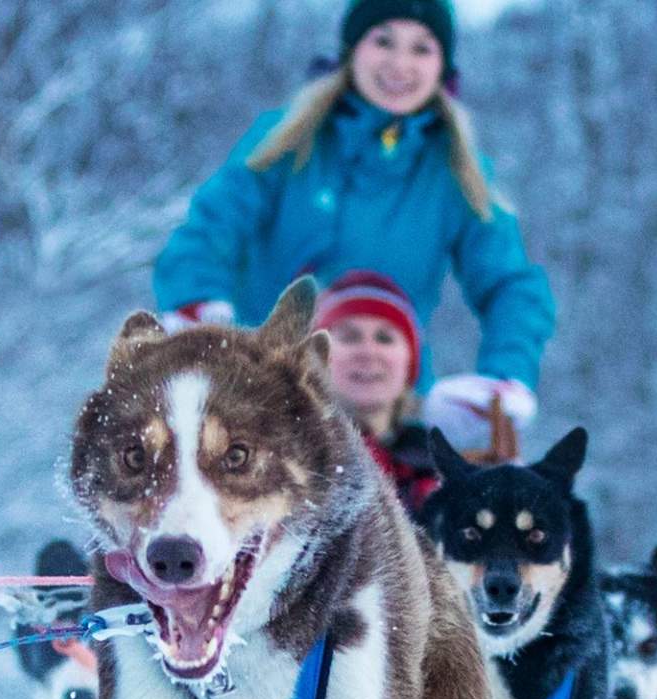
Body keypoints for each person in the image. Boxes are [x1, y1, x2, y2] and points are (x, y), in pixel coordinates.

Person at [153, 0, 553, 453]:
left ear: (442, 66)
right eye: (383, 41)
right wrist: (197, 305)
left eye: (421, 48)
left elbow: (512, 285)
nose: (400, 64)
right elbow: (209, 230)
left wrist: (507, 373)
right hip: (263, 397)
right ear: (351, 50)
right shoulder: (286, 141)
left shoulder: (457, 174)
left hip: (387, 411)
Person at [312, 269, 440, 511]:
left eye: (384, 338)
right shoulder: (287, 461)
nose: (368, 351)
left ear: (409, 363)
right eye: (349, 337)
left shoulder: (439, 473)